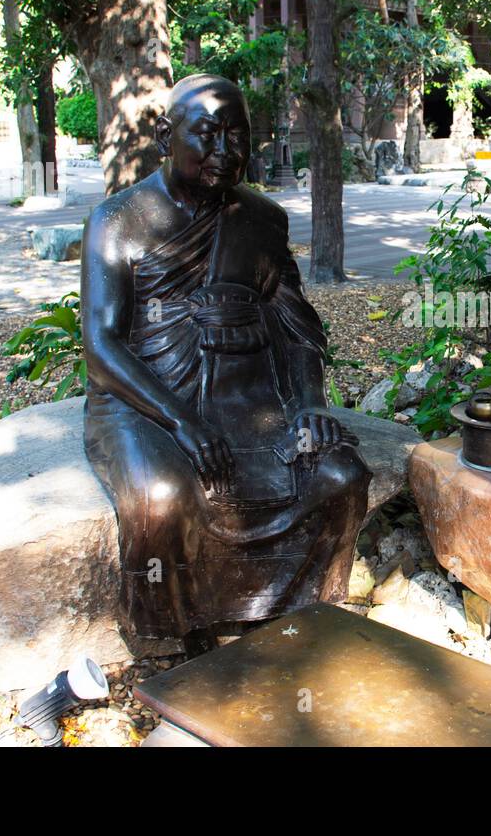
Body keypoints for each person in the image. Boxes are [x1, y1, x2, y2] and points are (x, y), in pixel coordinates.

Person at [81, 74, 370, 650]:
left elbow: (294, 323)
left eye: (237, 138)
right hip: (146, 399)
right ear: (166, 136)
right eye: (207, 137)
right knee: (163, 496)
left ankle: (298, 618)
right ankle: (177, 638)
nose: (225, 154)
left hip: (250, 395)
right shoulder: (117, 221)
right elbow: (102, 346)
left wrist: (310, 403)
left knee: (340, 475)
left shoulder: (261, 220)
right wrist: (181, 422)